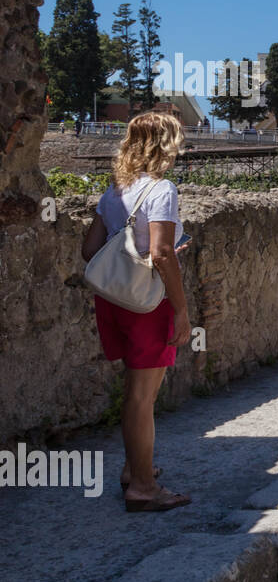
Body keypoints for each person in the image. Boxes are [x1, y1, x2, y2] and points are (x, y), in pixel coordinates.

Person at [79, 111, 192, 513]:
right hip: (147, 304)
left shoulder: (114, 191)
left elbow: (90, 251)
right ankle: (143, 488)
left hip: (112, 300)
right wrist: (181, 310)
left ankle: (133, 469)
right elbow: (162, 254)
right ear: (165, 144)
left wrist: (130, 254)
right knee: (143, 397)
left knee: (134, 391)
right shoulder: (162, 190)